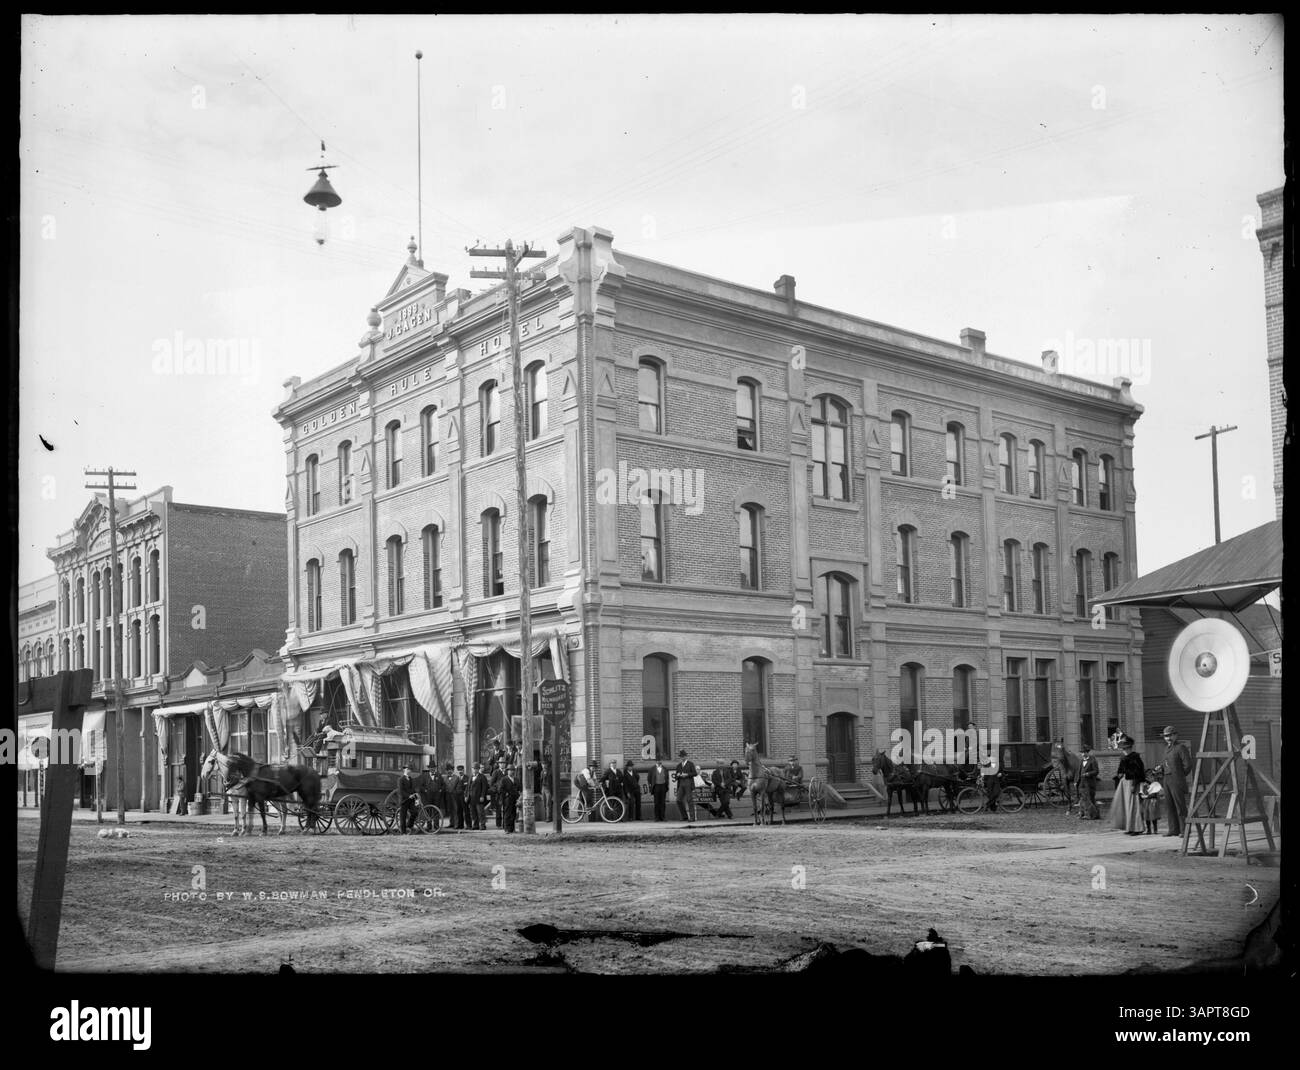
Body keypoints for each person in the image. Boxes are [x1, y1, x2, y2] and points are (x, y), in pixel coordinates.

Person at [1155, 725, 1193, 838]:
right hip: (1167, 779)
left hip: (1176, 779)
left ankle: (1184, 830)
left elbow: (1188, 765)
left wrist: (1180, 775)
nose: (1168, 738)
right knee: (1169, 805)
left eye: (1170, 735)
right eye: (1166, 736)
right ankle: (1173, 829)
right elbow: (1166, 763)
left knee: (1180, 805)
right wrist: (1160, 768)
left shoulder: (1181, 747)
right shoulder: (1166, 749)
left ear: (1176, 735)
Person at [1109, 734, 1145, 835]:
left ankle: (1137, 828)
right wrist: (1119, 774)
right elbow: (1120, 770)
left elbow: (1138, 773)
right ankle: (1129, 827)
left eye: (1126, 748)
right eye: (1123, 748)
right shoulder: (1123, 757)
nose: (1124, 750)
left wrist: (1134, 784)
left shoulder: (1135, 757)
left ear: (1130, 748)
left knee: (1133, 805)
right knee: (1125, 805)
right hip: (1124, 783)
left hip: (1132, 782)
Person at [1076, 743, 1101, 819]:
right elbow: (1079, 772)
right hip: (1082, 783)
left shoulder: (1092, 760)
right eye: (1082, 753)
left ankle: (1092, 815)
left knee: (1090, 799)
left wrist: (1088, 774)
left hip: (1090, 783)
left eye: (1084, 752)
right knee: (1082, 799)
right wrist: (1076, 781)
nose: (1083, 754)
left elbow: (1096, 771)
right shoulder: (1081, 761)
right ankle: (1082, 813)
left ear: (1087, 752)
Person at [674, 749, 697, 823]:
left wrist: (687, 774)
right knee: (678, 800)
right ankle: (684, 816)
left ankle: (692, 817)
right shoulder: (678, 765)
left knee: (689, 800)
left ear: (686, 756)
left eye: (683, 756)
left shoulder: (690, 764)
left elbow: (695, 773)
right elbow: (676, 777)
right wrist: (678, 775)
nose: (682, 758)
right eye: (681, 757)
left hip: (688, 782)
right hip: (681, 783)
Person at [398, 763, 421, 834]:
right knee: (403, 816)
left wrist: (415, 793)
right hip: (404, 800)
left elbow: (412, 789)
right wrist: (408, 796)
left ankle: (409, 825)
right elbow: (401, 791)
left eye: (410, 769)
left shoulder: (411, 779)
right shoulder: (401, 779)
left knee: (415, 812)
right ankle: (403, 832)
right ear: (404, 770)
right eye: (407, 769)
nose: (409, 771)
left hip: (411, 800)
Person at [1140, 770, 1163, 835]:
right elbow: (1142, 792)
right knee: (1147, 816)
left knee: (1153, 816)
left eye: (1152, 777)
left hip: (1152, 802)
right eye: (1148, 777)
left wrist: (1146, 796)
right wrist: (1144, 788)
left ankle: (1155, 829)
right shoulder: (1145, 784)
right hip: (1146, 802)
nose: (1150, 779)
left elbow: (1154, 794)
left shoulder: (1155, 784)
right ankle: (1149, 829)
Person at [469, 762, 490, 830]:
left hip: (479, 798)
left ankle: (482, 825)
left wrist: (482, 796)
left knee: (480, 812)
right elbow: (468, 787)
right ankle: (475, 825)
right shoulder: (471, 777)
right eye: (473, 768)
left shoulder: (482, 777)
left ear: (478, 769)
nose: (474, 770)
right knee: (473, 812)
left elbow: (484, 787)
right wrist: (467, 796)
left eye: (476, 769)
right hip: (472, 798)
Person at [648, 757, 670, 821]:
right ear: (656, 761)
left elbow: (667, 778)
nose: (659, 761)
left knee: (663, 802)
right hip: (656, 786)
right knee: (656, 802)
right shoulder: (652, 769)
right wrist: (651, 786)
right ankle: (657, 817)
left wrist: (666, 785)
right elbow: (649, 778)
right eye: (658, 760)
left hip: (663, 786)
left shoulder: (665, 769)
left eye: (660, 760)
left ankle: (663, 817)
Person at [500, 765, 519, 833]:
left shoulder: (516, 779)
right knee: (507, 814)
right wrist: (506, 794)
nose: (512, 772)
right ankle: (506, 829)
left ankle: (512, 828)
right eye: (510, 770)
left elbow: (518, 788)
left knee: (513, 814)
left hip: (515, 798)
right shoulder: (504, 779)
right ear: (507, 771)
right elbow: (501, 789)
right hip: (507, 799)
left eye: (513, 770)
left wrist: (518, 797)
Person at [445, 764, 464, 829]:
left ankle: (456, 824)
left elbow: (455, 787)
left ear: (452, 770)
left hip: (455, 796)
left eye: (450, 770)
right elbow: (444, 786)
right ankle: (451, 823)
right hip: (448, 796)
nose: (449, 771)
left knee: (456, 810)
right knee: (450, 810)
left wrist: (451, 791)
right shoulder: (445, 778)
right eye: (447, 770)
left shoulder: (456, 777)